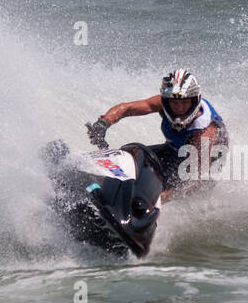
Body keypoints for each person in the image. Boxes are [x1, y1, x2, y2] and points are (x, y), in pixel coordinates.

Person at [87, 68, 229, 203]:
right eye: (174, 103)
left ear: (194, 101)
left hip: (197, 171)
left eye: (184, 103)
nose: (179, 108)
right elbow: (126, 108)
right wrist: (103, 123)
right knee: (131, 154)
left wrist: (160, 199)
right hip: (173, 152)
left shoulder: (205, 134)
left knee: (151, 188)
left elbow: (198, 181)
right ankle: (98, 183)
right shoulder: (163, 103)